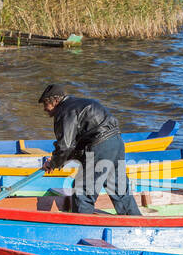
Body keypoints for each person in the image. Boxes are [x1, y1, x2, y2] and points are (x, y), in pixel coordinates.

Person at [38, 83, 141, 216]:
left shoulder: (65, 111)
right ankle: (136, 223)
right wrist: (58, 162)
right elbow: (75, 145)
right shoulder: (78, 104)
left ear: (56, 101)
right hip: (116, 143)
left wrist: (53, 163)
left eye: (46, 104)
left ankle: (81, 228)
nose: (45, 109)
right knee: (119, 190)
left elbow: (66, 145)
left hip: (101, 146)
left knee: (82, 191)